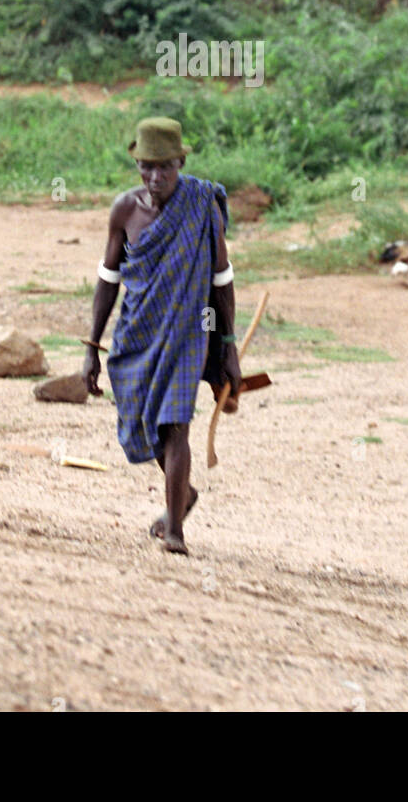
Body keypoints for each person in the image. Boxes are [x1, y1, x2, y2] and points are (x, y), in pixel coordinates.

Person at [82, 117, 241, 555]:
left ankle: (175, 530)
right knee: (143, 419)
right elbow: (108, 279)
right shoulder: (125, 211)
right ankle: (182, 495)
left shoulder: (202, 205)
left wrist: (227, 348)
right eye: (145, 167)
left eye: (164, 168)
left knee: (174, 426)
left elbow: (221, 280)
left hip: (190, 332)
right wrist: (93, 350)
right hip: (137, 334)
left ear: (181, 162)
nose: (155, 178)